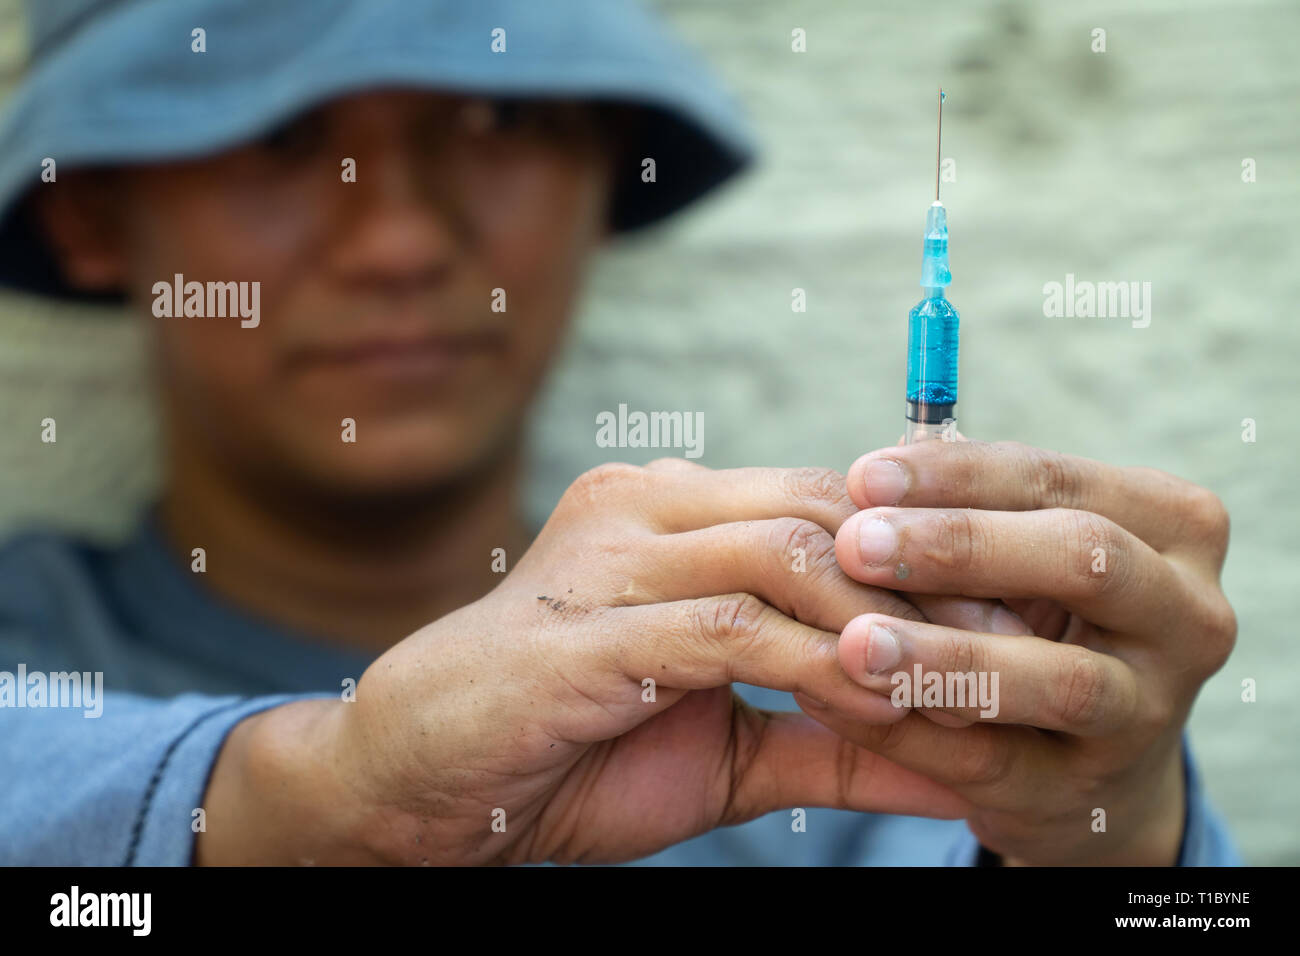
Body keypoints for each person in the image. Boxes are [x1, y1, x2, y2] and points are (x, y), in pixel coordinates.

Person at [0, 0, 1239, 866]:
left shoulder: (825, 726)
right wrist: (323, 801)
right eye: (277, 137)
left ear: (608, 171)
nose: (399, 240)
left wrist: (1109, 832)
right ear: (93, 213)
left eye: (492, 121)